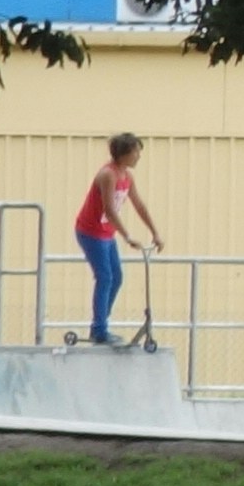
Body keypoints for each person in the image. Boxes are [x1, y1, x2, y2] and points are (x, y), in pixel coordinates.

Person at [77, 133, 167, 345]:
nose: (138, 156)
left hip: (106, 232)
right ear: (123, 154)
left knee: (116, 277)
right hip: (91, 231)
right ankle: (99, 330)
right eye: (135, 151)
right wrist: (128, 236)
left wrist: (155, 231)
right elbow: (109, 209)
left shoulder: (126, 176)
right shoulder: (108, 175)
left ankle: (99, 324)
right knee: (105, 277)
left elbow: (139, 205)